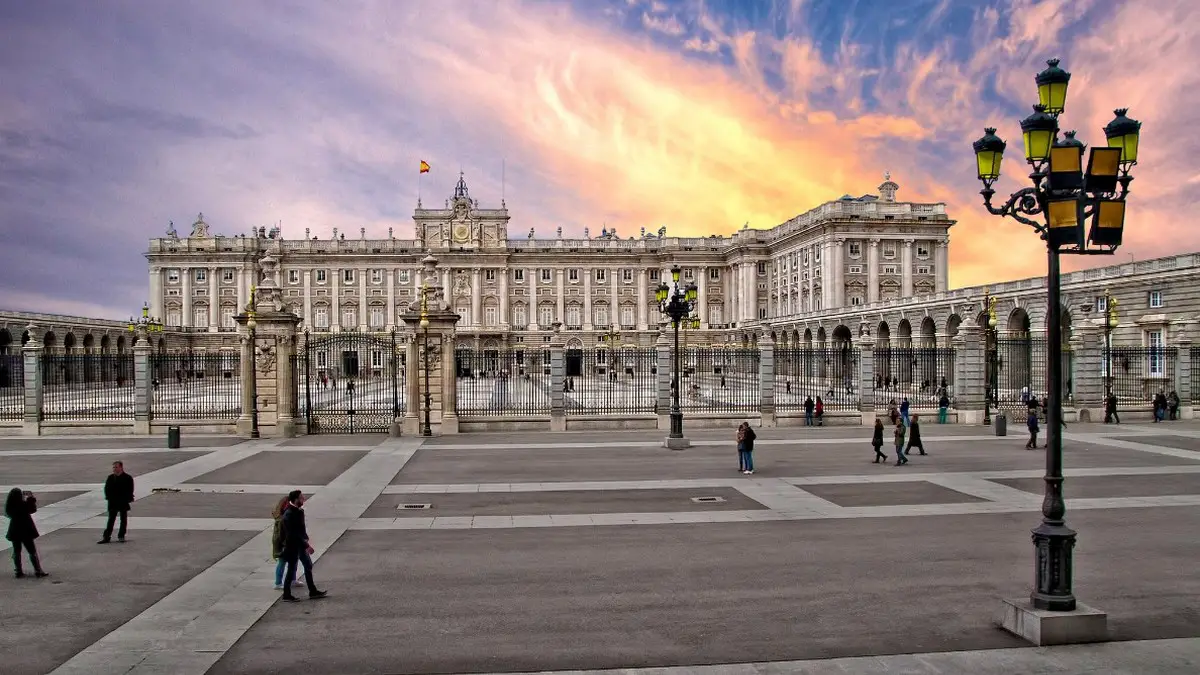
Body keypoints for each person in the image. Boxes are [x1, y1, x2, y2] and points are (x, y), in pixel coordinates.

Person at [281, 490, 328, 602]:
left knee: (308, 565)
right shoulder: (289, 514)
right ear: (296, 499)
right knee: (292, 569)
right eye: (301, 498)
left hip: (300, 544)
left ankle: (312, 591)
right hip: (293, 546)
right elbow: (293, 534)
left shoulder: (298, 511)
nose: (304, 499)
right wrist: (306, 545)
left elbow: (300, 530)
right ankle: (286, 594)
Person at [6, 488, 48, 578]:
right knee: (32, 551)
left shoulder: (10, 506)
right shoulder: (24, 504)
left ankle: (18, 571)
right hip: (26, 530)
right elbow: (32, 509)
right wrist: (30, 498)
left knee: (16, 551)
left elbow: (9, 513)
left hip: (14, 530)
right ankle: (38, 570)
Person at [271, 495, 304, 590]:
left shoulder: (288, 515)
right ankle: (278, 583)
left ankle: (293, 579)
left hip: (290, 543)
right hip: (284, 544)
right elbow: (280, 535)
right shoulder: (282, 519)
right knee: (282, 562)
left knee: (293, 562)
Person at [99, 460, 134, 544]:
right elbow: (106, 489)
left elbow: (130, 489)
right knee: (111, 520)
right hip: (113, 502)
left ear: (121, 467)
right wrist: (108, 497)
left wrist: (128, 498)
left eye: (116, 467)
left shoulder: (128, 477)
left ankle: (121, 536)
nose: (114, 469)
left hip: (123, 501)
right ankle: (106, 537)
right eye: (113, 467)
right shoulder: (110, 477)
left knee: (123, 519)